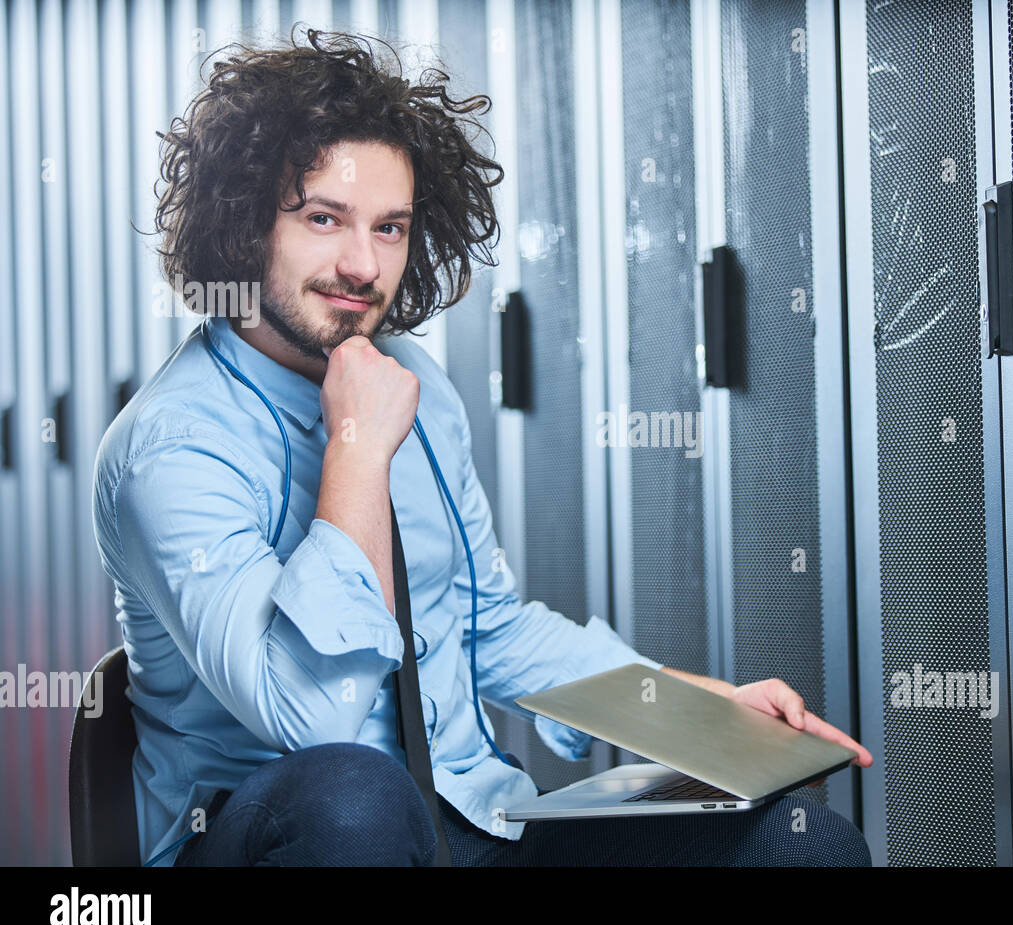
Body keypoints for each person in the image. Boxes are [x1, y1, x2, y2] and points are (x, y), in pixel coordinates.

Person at [91, 26, 872, 867]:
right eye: (325, 218)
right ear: (245, 224)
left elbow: (486, 628)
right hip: (277, 838)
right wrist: (355, 447)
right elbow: (313, 716)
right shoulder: (172, 446)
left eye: (389, 228)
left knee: (803, 847)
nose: (363, 264)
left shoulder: (416, 383)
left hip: (466, 822)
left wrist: (693, 707)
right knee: (357, 798)